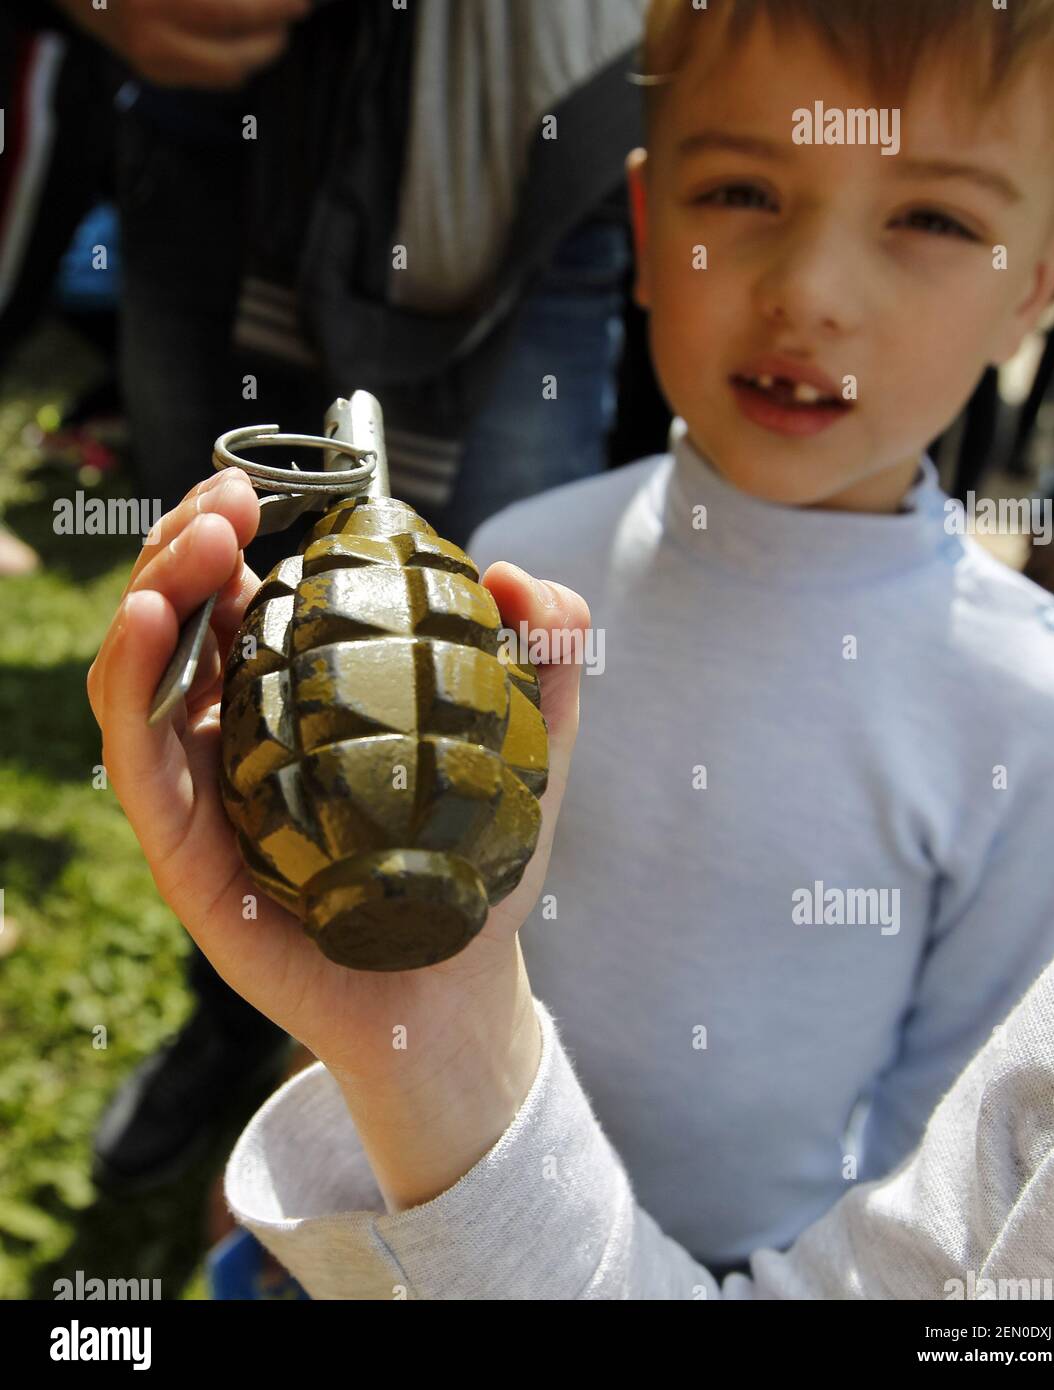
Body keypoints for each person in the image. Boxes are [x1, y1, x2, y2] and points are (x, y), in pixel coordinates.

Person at [86, 0, 1054, 1294]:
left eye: (932, 218)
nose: (809, 290)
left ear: (1041, 279)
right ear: (640, 226)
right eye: (740, 190)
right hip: (415, 1208)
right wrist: (338, 1084)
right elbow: (408, 926)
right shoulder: (516, 561)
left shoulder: (1048, 712)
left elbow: (961, 1143)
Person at [37, 0, 648, 1193]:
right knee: (212, 627)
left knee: (496, 651)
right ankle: (234, 1017)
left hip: (521, 136)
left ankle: (456, 1062)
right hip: (215, 129)